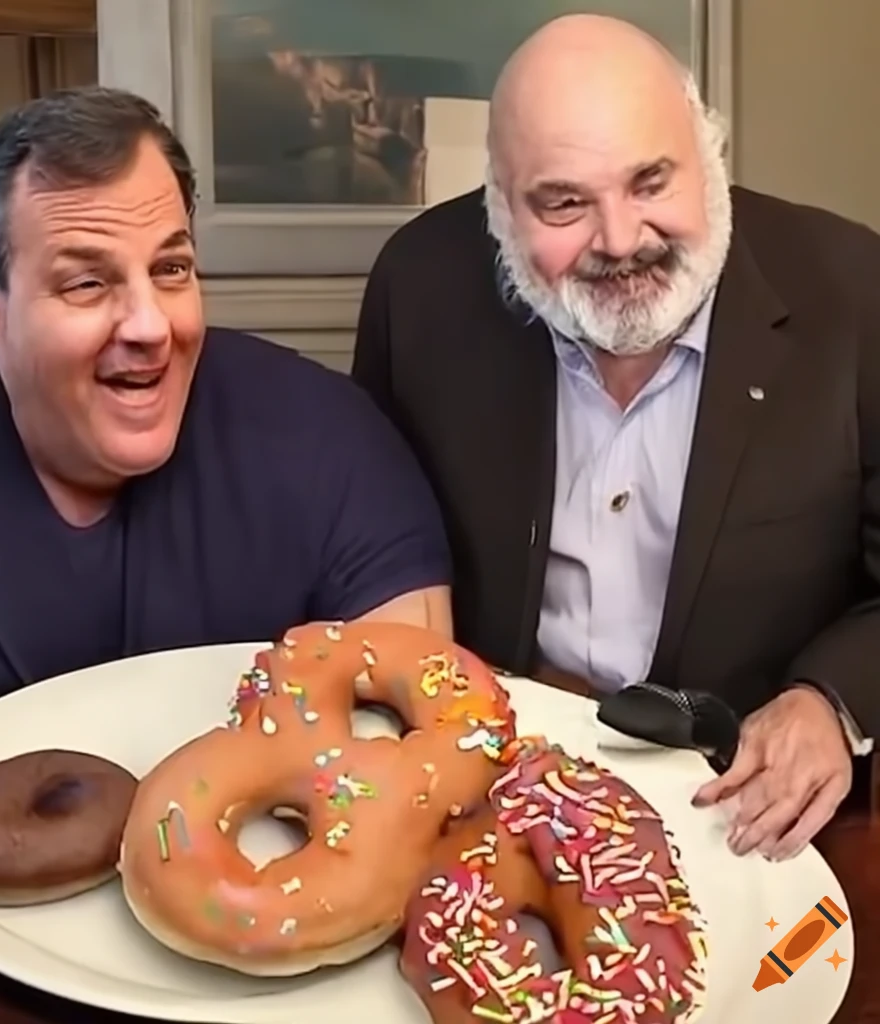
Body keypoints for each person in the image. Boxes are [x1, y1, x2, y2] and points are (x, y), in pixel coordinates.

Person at [351, 14, 880, 862]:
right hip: (484, 806)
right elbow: (365, 552)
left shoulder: (857, 293)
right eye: (564, 202)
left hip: (752, 819)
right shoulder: (418, 291)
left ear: (709, 157)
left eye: (652, 182)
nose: (622, 239)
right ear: (498, 202)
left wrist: (834, 700)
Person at [0, 87, 452, 729]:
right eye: (87, 282)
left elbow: (427, 731)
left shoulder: (333, 441)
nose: (149, 326)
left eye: (170, 269)